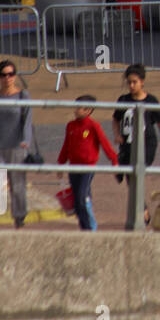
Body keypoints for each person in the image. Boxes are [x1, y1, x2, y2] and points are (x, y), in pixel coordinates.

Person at [0, 60, 37, 229]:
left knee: (17, 186)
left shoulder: (23, 95)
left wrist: (26, 140)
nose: (7, 78)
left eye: (10, 74)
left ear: (15, 76)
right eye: (3, 75)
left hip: (16, 146)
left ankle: (19, 217)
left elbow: (27, 121)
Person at [58, 95, 117, 231]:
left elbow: (105, 143)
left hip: (87, 167)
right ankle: (83, 227)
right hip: (73, 167)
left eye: (79, 108)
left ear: (88, 110)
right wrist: (60, 164)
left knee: (81, 197)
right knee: (78, 200)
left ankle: (91, 227)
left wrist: (114, 160)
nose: (76, 110)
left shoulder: (93, 125)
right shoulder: (71, 126)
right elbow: (66, 146)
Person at [112, 63, 160, 182]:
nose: (131, 85)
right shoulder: (123, 100)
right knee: (131, 181)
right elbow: (115, 119)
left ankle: (139, 199)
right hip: (127, 144)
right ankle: (122, 165)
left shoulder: (151, 100)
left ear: (142, 82)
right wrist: (117, 134)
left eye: (135, 82)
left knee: (137, 175)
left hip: (147, 144)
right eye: (129, 82)